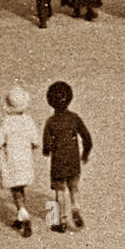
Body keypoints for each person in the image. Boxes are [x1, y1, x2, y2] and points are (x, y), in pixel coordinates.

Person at [42, 81, 92, 234]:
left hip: (58, 162)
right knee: (73, 187)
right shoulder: (74, 118)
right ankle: (76, 209)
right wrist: (85, 154)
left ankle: (61, 220)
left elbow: (46, 144)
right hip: (73, 161)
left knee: (59, 191)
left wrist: (47, 151)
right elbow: (87, 138)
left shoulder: (51, 122)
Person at [0, 86, 41, 237]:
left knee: (16, 190)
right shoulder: (28, 121)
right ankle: (20, 214)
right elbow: (35, 141)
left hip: (11, 162)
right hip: (25, 160)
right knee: (21, 189)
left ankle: (23, 213)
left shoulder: (7, 122)